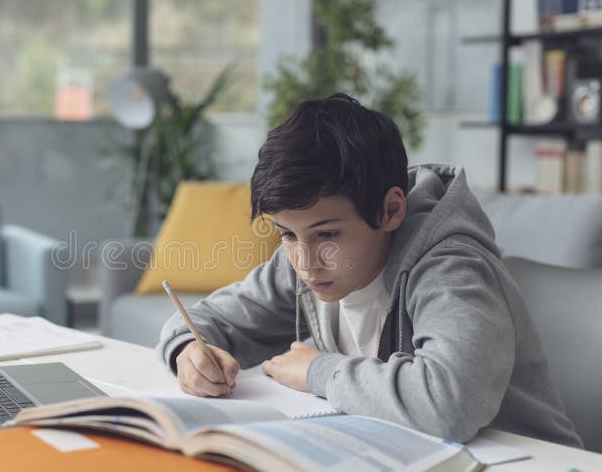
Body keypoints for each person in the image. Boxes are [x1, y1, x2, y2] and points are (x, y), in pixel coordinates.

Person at [156, 93, 582, 446]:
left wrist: (316, 370)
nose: (304, 261)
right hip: (405, 463)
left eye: (327, 235)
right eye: (286, 234)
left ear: (391, 209)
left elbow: (450, 404)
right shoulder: (302, 263)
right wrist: (188, 353)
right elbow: (203, 320)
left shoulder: (452, 267)